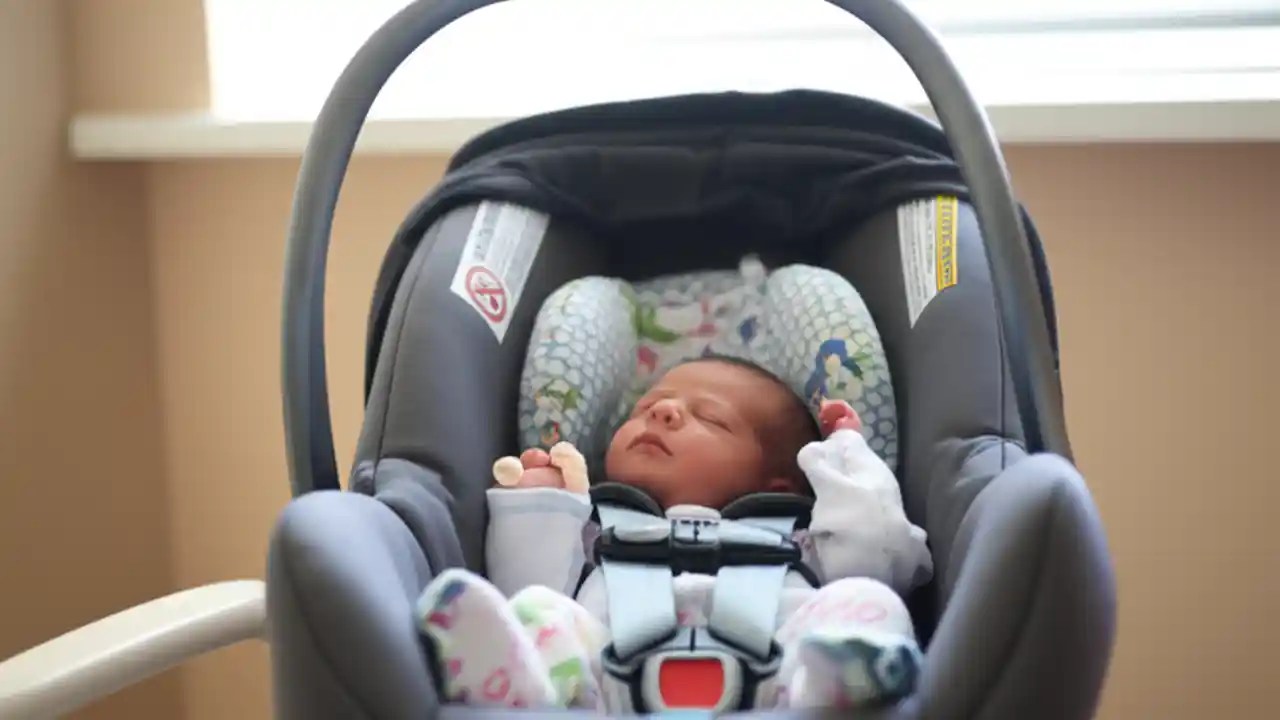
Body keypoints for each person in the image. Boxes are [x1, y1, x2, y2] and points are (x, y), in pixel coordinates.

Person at [415, 356, 932, 711]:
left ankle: (834, 684)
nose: (663, 411)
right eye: (647, 408)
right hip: (604, 687)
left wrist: (846, 458)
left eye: (710, 418)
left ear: (781, 481)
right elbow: (534, 583)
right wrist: (538, 503)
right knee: (538, 611)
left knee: (865, 599)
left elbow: (881, 557)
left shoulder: (804, 540)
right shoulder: (594, 528)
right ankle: (518, 686)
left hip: (779, 682)